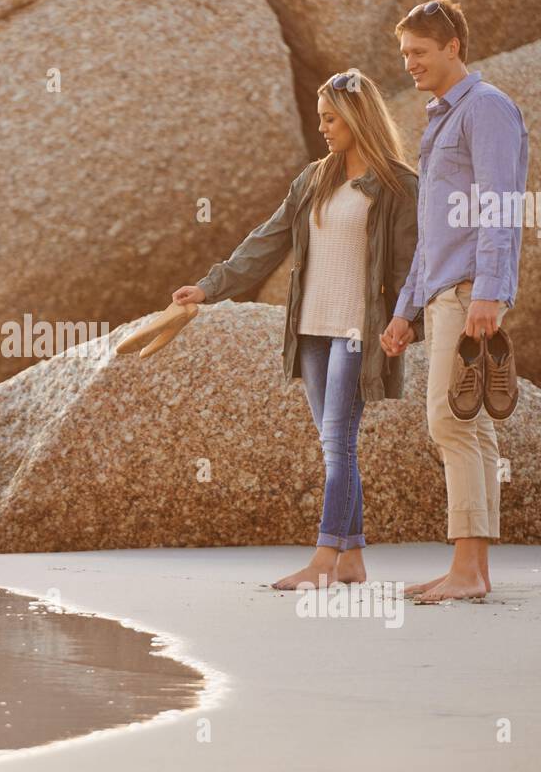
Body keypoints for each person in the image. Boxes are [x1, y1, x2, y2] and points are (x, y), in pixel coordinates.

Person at [172, 69, 421, 590]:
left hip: (357, 331)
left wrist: (407, 323)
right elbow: (266, 241)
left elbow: (408, 268)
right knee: (335, 445)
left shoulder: (398, 186)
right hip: (310, 332)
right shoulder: (313, 180)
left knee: (338, 444)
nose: (324, 129)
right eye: (321, 119)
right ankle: (352, 559)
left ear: (357, 117)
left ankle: (323, 560)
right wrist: (208, 287)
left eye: (331, 119)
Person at [383, 0, 528, 601]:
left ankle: (467, 571)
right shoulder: (440, 118)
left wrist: (490, 293)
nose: (410, 63)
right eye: (405, 54)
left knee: (448, 421)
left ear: (452, 48)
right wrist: (404, 310)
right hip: (445, 289)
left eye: (419, 52)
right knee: (472, 426)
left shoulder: (486, 109)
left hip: (471, 290)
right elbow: (434, 227)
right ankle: (474, 571)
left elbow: (501, 205)